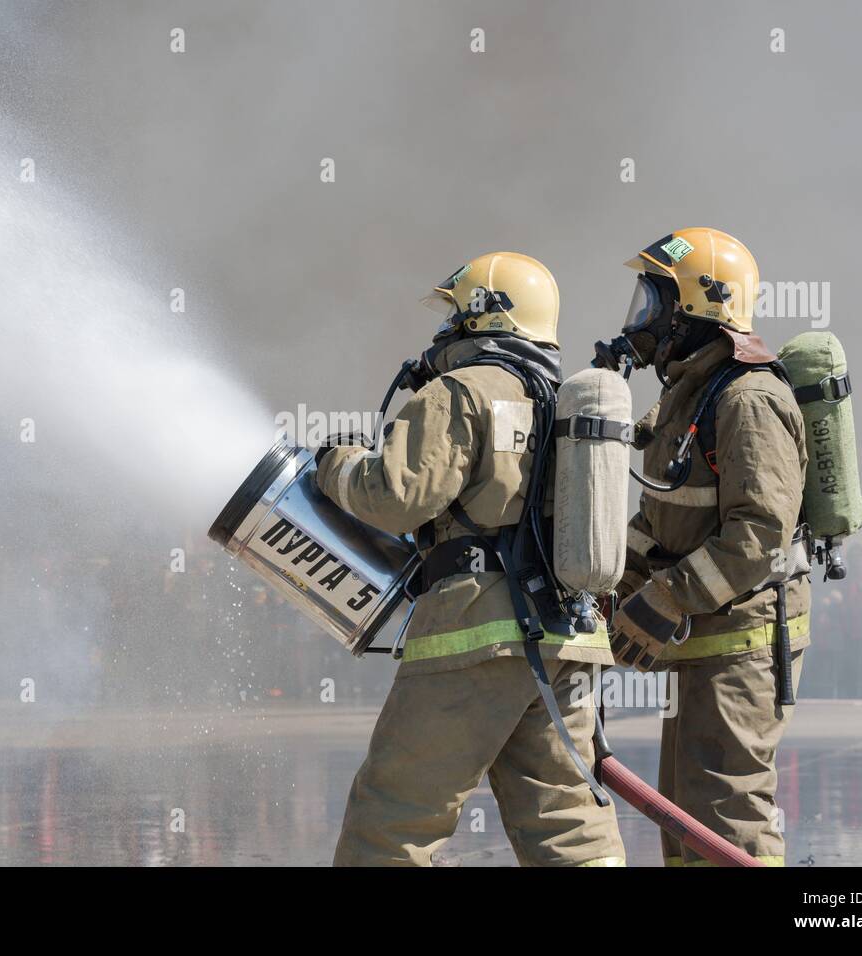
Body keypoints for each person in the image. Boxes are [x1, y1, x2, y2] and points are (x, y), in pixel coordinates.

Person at [316, 252, 624, 866]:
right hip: (566, 638)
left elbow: (396, 496)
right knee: (567, 823)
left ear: (484, 314)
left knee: (394, 814)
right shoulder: (561, 401)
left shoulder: (461, 391)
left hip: (475, 636)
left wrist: (337, 464)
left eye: (456, 312)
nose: (444, 329)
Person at [596, 228, 808, 866]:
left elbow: (761, 533)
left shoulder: (748, 399)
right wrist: (613, 582)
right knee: (688, 815)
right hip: (703, 640)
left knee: (726, 812)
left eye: (654, 305)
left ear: (700, 306)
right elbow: (663, 518)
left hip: (741, 642)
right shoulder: (687, 398)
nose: (642, 323)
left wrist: (665, 598)